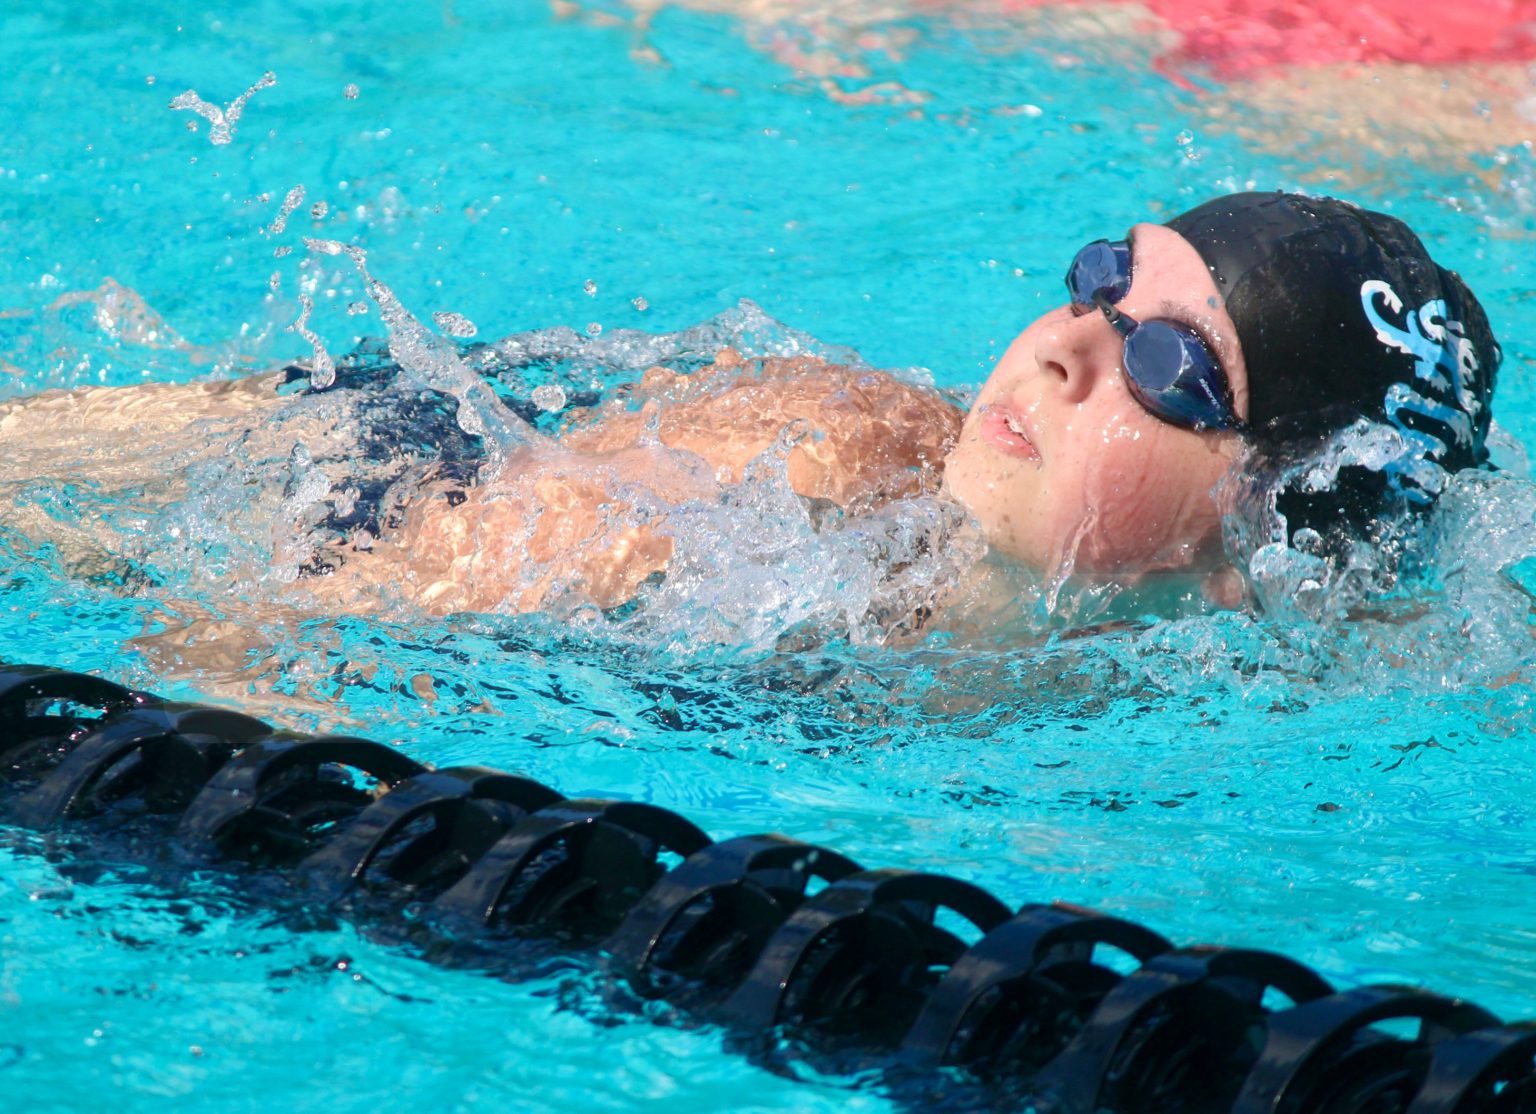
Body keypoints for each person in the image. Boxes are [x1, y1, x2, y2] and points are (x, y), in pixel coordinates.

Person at [0, 191, 1500, 625]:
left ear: (1273, 523)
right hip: (393, 470)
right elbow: (288, 610)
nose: (1060, 351)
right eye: (1102, 285)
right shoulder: (806, 479)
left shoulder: (1329, 650)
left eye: (1174, 371)